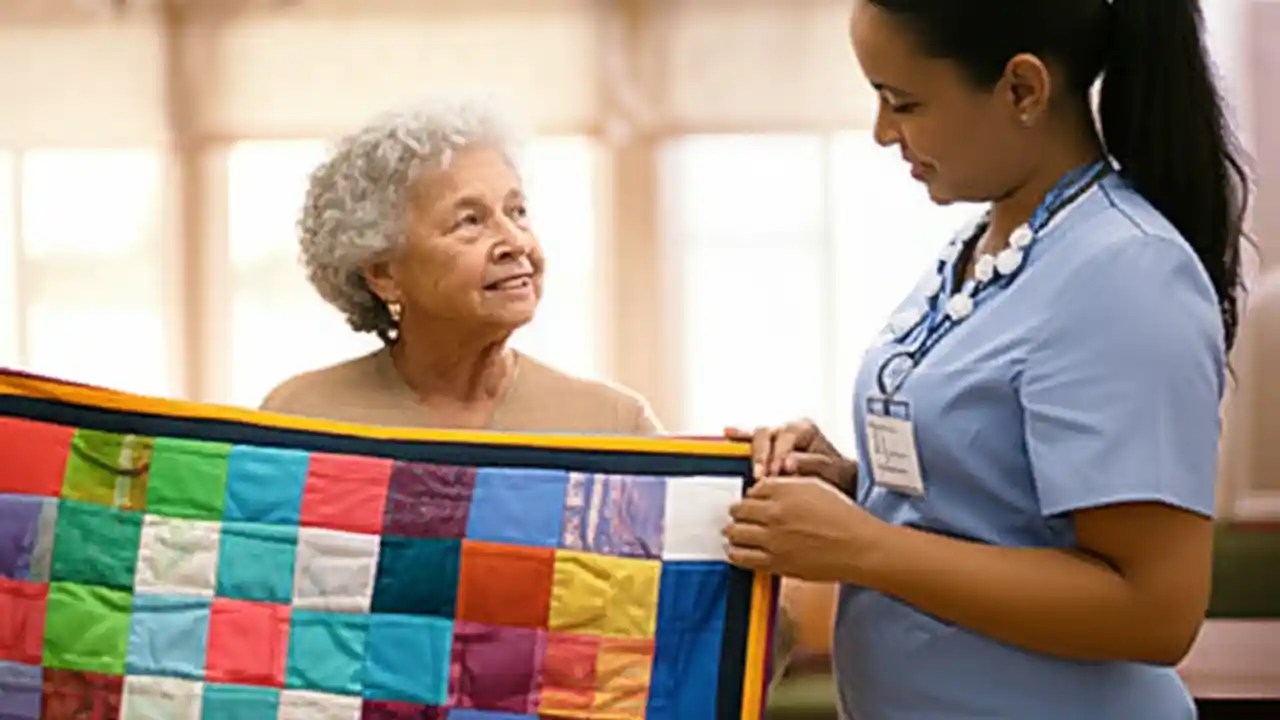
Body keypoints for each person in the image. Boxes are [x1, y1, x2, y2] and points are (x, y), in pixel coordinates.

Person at [723, 1, 1250, 718]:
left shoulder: (1127, 273)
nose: (883, 133)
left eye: (902, 101)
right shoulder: (990, 243)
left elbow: (1154, 612)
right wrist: (854, 485)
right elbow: (995, 506)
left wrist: (865, 547)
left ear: (1023, 90)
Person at [260, 95, 660, 435]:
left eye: (517, 211)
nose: (516, 243)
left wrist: (721, 519)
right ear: (383, 274)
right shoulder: (300, 420)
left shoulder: (616, 426)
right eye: (470, 221)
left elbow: (685, 524)